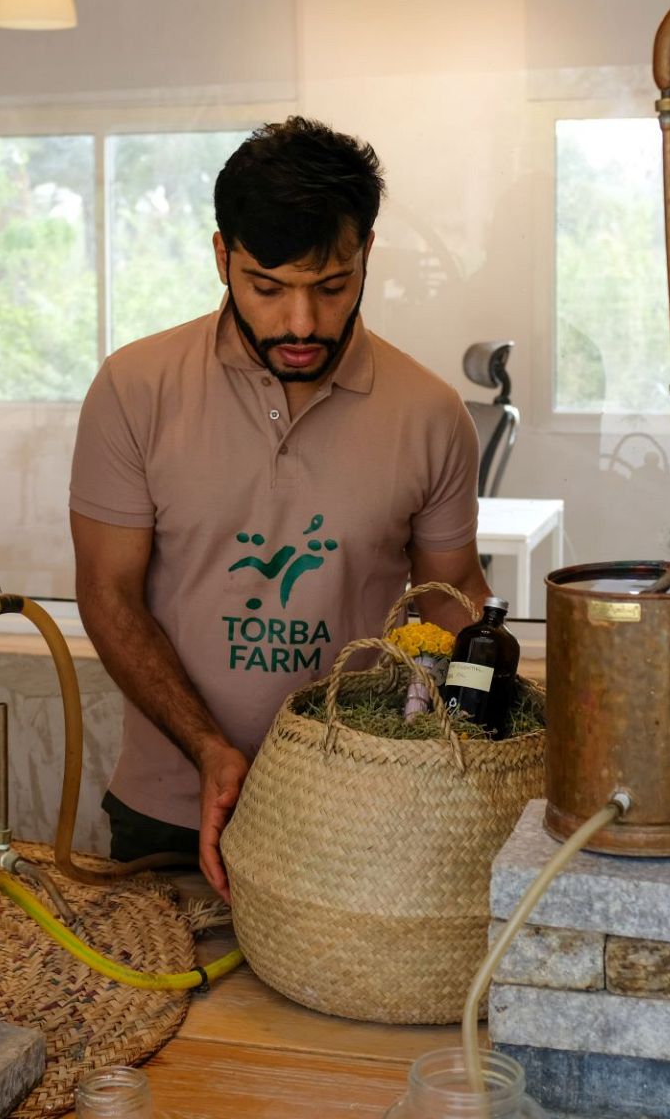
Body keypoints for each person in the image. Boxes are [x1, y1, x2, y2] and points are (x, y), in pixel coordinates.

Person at [69, 117, 490, 899]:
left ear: (366, 256)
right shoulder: (135, 390)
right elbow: (107, 594)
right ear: (222, 256)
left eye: (331, 288)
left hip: (360, 809)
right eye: (268, 287)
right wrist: (208, 748)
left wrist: (466, 740)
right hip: (169, 808)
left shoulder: (432, 415)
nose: (301, 324)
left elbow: (449, 600)